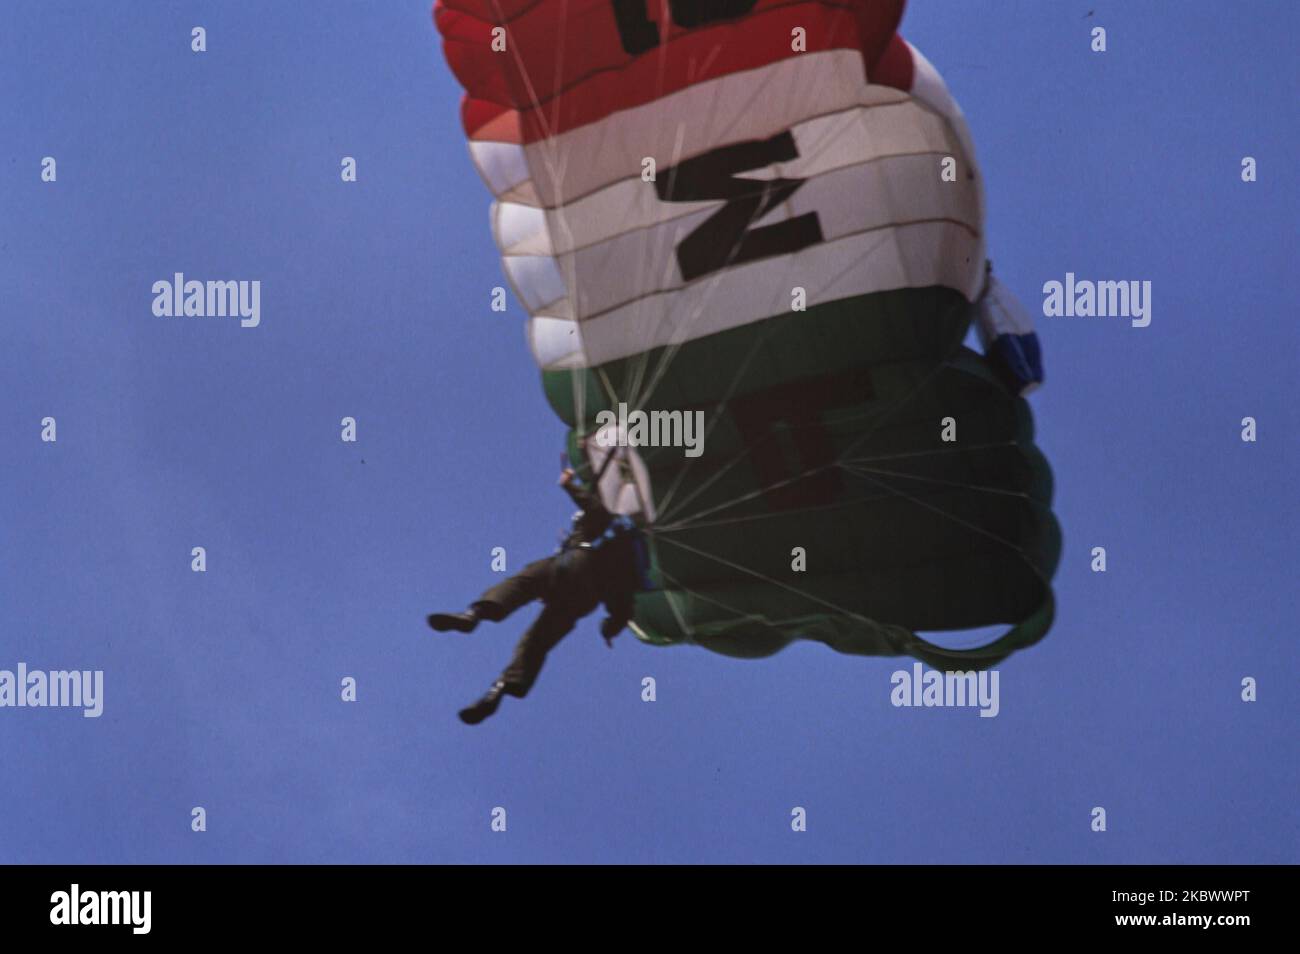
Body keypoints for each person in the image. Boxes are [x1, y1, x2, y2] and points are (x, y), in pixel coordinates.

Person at [428, 461, 645, 725]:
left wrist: (568, 485)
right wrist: (610, 629)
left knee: (522, 584)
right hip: (582, 600)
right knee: (536, 643)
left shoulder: (603, 523)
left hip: (569, 565)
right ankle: (499, 690)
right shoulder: (628, 564)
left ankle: (473, 615)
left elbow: (595, 508)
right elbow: (622, 607)